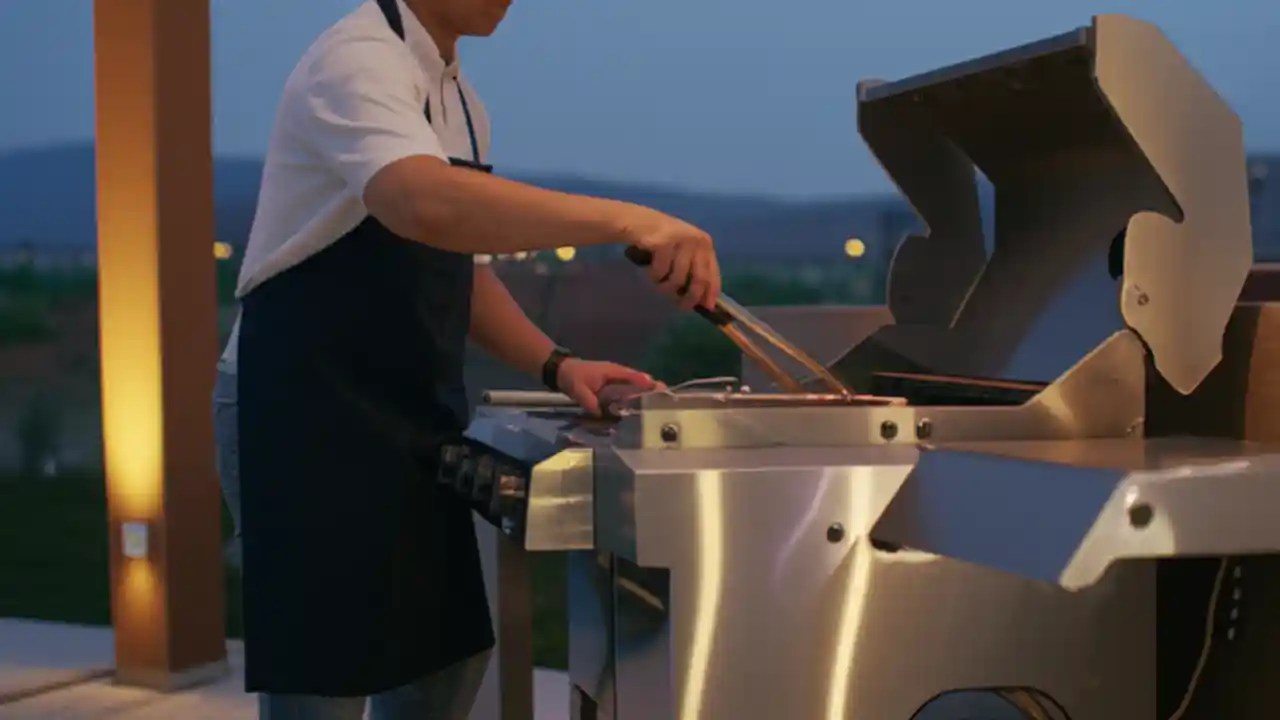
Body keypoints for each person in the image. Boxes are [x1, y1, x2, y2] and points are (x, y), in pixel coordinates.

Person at [213, 0, 722, 717]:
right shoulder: (355, 59)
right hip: (304, 406)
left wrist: (560, 366)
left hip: (400, 411)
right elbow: (425, 204)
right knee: (325, 678)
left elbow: (461, 270)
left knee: (443, 658)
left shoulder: (461, 100)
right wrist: (627, 220)